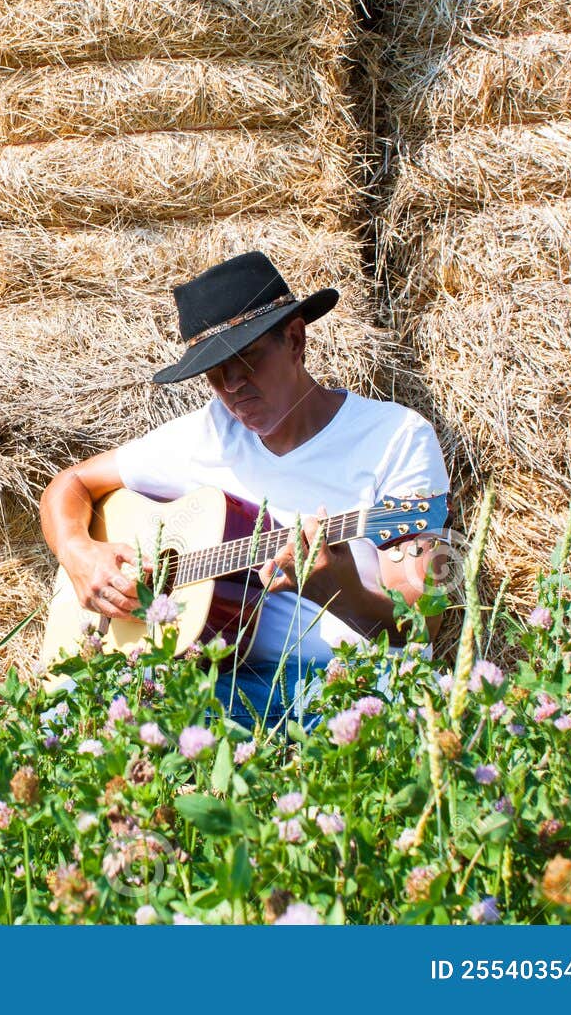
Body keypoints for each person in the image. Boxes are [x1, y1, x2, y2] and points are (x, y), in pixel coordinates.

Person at [38, 250, 450, 728]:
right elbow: (70, 484)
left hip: (339, 681)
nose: (232, 385)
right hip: (209, 675)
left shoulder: (394, 438)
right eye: (215, 372)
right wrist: (79, 552)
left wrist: (338, 590)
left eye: (247, 358)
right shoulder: (206, 436)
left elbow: (424, 624)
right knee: (69, 708)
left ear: (295, 339)